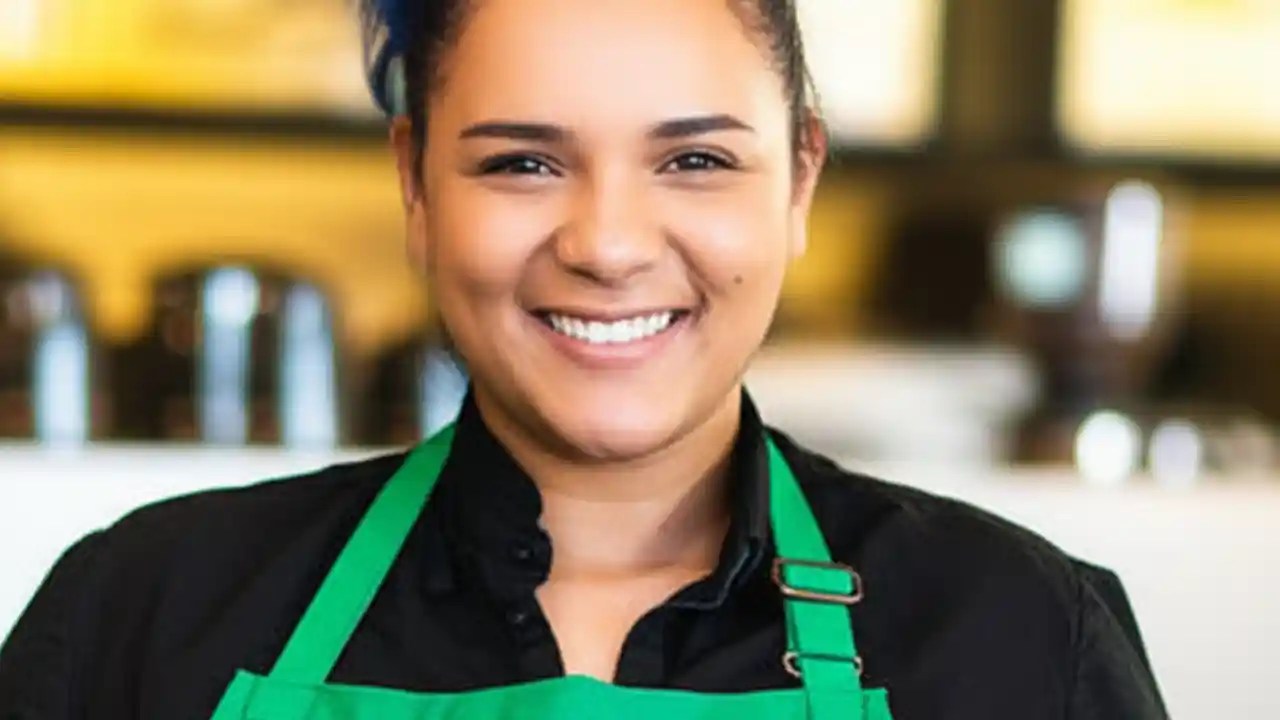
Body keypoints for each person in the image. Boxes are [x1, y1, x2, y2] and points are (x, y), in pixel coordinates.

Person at [0, 0, 1168, 717]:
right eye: (522, 163)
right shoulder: (139, 617)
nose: (606, 245)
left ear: (798, 179)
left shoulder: (1017, 636)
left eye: (695, 162)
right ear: (414, 184)